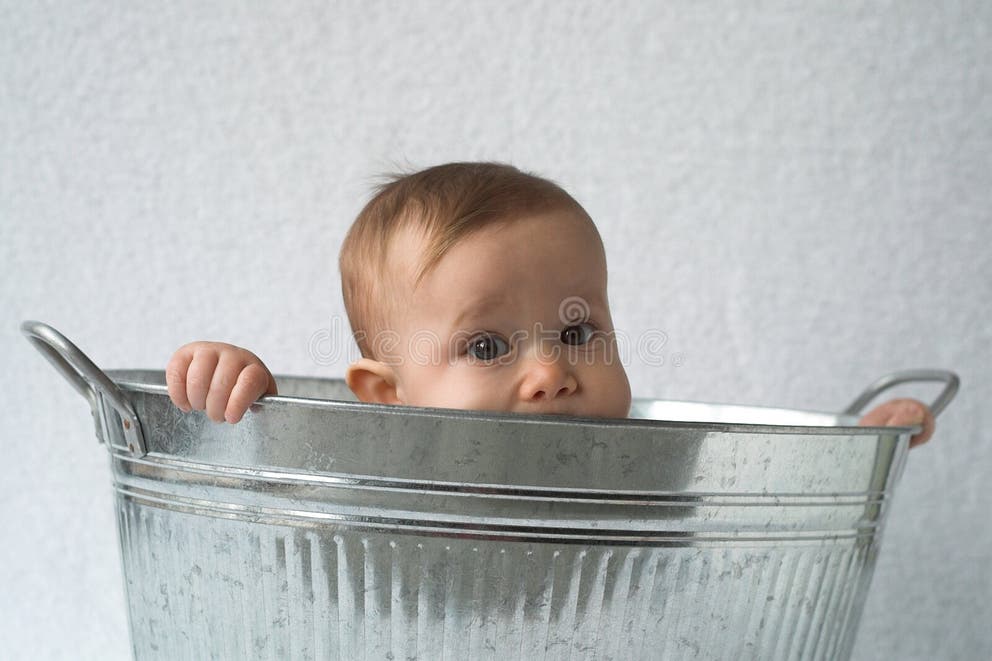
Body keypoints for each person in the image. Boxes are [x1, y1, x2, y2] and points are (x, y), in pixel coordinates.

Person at [165, 162, 936, 447]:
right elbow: (302, 474)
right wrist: (245, 392)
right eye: (488, 347)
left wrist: (849, 448)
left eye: (577, 328)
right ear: (388, 396)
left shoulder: (644, 467)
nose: (552, 373)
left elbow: (750, 505)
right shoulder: (387, 462)